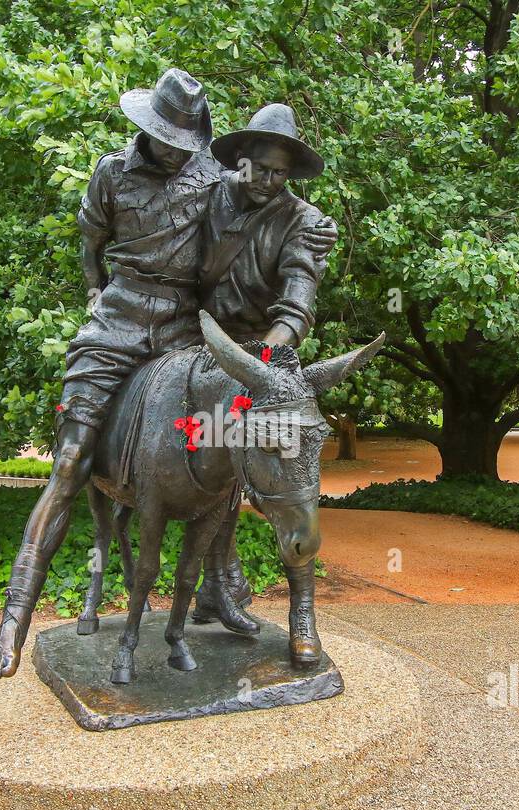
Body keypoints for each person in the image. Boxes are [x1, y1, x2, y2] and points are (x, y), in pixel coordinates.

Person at [0, 73, 335, 678]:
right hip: (138, 330)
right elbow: (92, 238)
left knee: (250, 449)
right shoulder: (138, 176)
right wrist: (97, 293)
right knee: (71, 461)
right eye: (164, 136)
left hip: (204, 341)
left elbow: (279, 259)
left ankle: (244, 595)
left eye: (184, 139)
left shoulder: (251, 199)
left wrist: (270, 358)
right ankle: (15, 614)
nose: (175, 149)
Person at [190, 103, 333, 633]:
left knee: (292, 472)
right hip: (197, 346)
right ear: (239, 161)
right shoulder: (206, 196)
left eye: (280, 172)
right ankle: (217, 582)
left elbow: (297, 306)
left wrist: (263, 361)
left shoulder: (305, 222)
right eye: (259, 168)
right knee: (191, 469)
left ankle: (302, 615)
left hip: (266, 355)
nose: (268, 181)